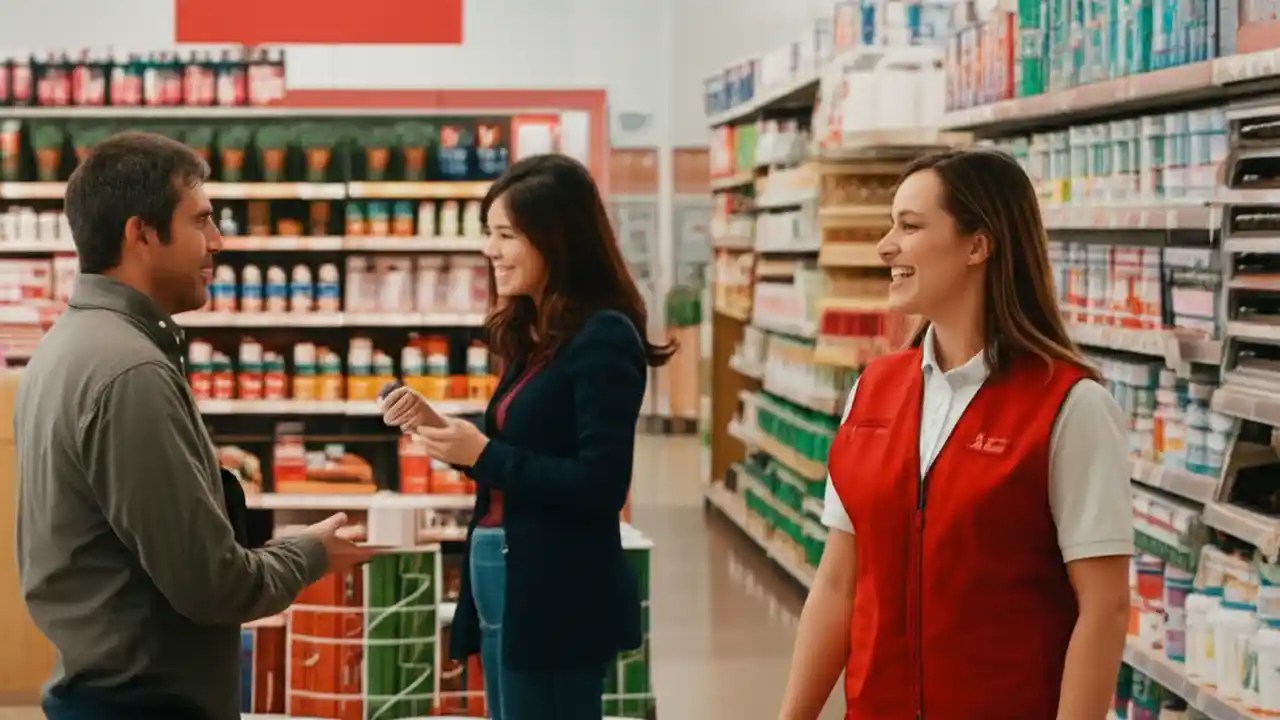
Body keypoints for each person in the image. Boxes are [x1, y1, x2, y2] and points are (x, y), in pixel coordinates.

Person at [14, 131, 374, 720]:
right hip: (146, 704)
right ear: (141, 233)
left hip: (101, 690)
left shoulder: (68, 345)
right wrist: (309, 552)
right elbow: (211, 584)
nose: (217, 241)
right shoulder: (130, 371)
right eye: (201, 220)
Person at [778, 149, 1133, 720]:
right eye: (891, 225)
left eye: (910, 226)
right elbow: (839, 583)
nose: (886, 246)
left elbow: (1105, 608)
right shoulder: (872, 392)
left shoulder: (1070, 407)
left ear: (978, 245)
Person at [380, 153, 672, 719]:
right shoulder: (535, 333)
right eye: (488, 232)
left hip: (554, 590)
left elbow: (601, 484)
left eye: (505, 235)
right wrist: (447, 434)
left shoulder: (603, 337)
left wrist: (484, 454)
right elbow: (523, 449)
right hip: (503, 572)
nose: (489, 249)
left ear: (555, 239)